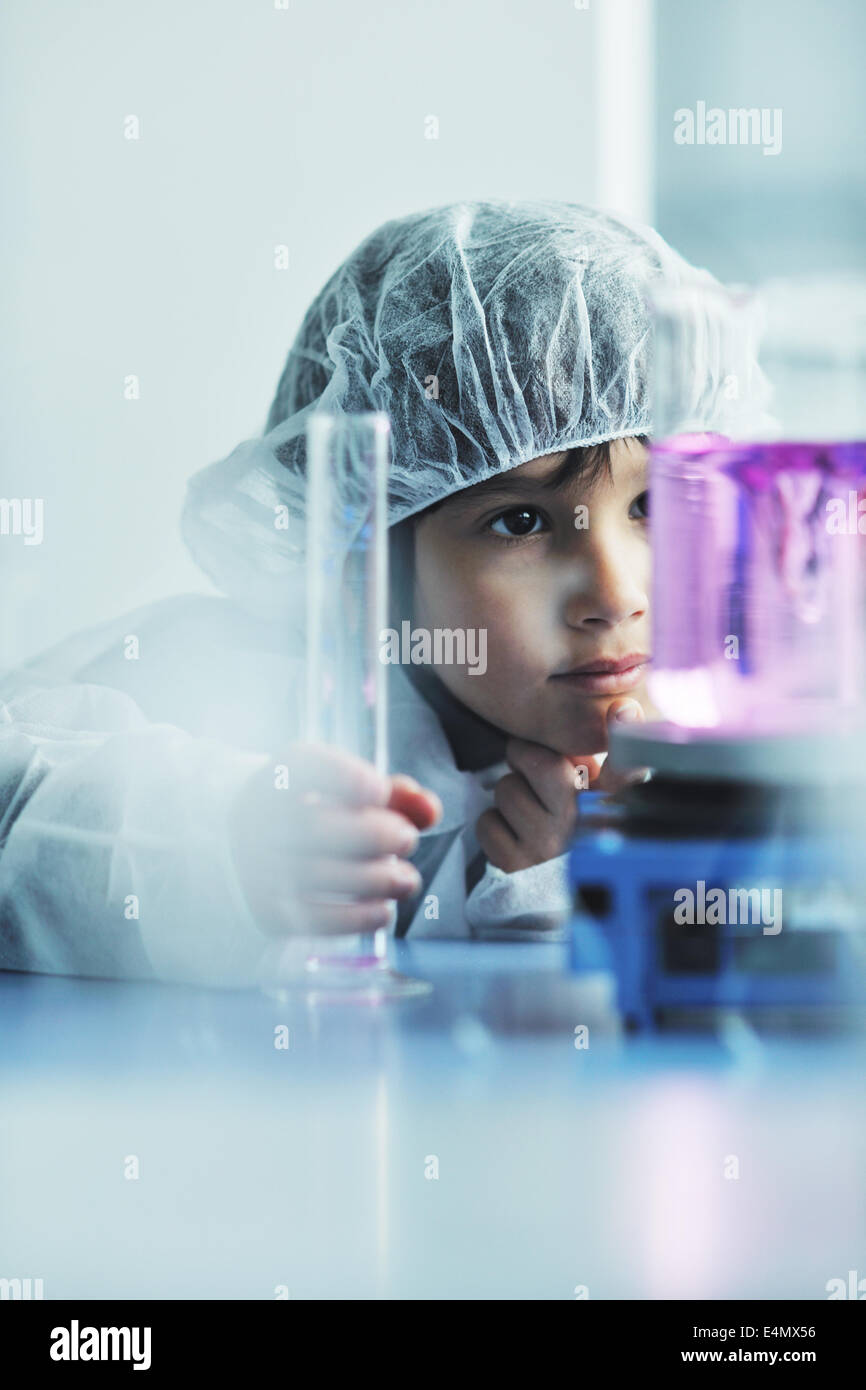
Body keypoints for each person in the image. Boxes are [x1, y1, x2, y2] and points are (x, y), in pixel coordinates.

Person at [0, 199, 720, 986]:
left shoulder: (735, 758)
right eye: (520, 521)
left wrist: (574, 905)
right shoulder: (246, 690)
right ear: (361, 559)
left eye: (653, 505)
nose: (615, 596)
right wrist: (225, 845)